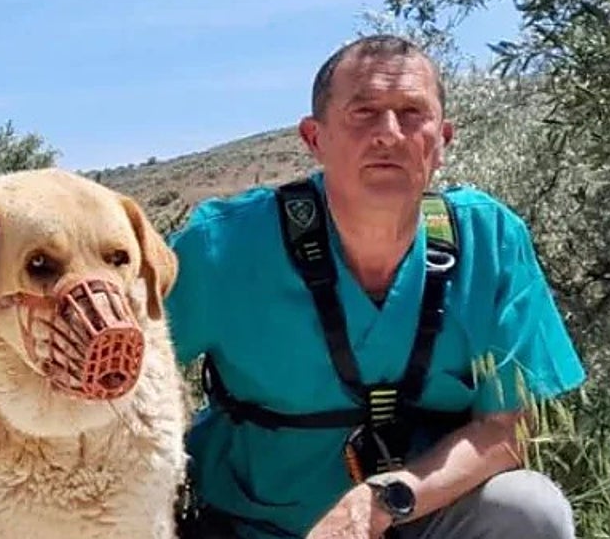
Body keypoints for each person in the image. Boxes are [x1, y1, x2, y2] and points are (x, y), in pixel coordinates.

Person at [166, 34, 585, 539]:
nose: (389, 133)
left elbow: (509, 428)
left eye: (412, 113)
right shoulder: (221, 247)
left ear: (443, 139)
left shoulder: (491, 240)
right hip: (246, 524)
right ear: (314, 138)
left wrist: (383, 503)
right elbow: (119, 386)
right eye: (363, 113)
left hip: (415, 514)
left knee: (529, 509)